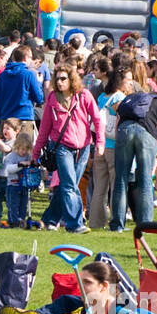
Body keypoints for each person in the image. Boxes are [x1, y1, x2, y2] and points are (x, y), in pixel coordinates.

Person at [33, 64, 104, 235]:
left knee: (67, 185)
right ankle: (74, 224)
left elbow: (97, 119)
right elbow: (44, 128)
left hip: (84, 147)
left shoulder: (84, 95)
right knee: (70, 185)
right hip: (61, 146)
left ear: (71, 79)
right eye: (57, 78)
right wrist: (36, 152)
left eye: (63, 78)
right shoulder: (52, 99)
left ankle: (49, 219)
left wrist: (100, 142)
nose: (59, 82)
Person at [109, 85, 157, 232]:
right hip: (146, 134)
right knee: (145, 181)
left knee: (121, 180)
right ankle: (145, 225)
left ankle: (117, 225)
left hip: (124, 130)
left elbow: (118, 123)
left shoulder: (129, 99)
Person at [90, 69, 133, 231]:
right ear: (119, 82)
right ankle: (116, 221)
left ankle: (95, 222)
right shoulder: (120, 99)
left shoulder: (102, 97)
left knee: (99, 188)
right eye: (127, 80)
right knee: (117, 186)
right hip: (114, 147)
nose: (129, 83)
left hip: (100, 146)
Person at [0, 46, 44, 135]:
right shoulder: (29, 74)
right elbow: (39, 98)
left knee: (5, 148)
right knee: (23, 148)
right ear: (26, 58)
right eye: (31, 57)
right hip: (24, 119)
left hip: (5, 119)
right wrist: (39, 83)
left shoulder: (3, 75)